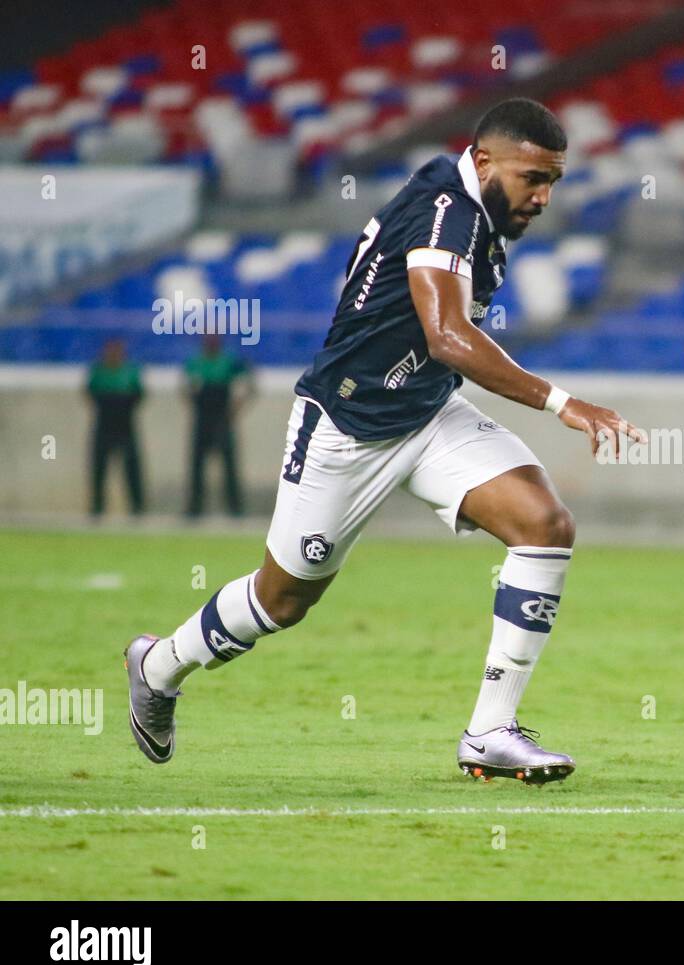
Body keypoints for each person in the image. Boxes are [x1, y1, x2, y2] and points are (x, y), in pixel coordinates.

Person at [123, 98, 644, 780]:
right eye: (532, 179)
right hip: (347, 425)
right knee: (281, 602)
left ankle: (490, 731)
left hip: (427, 415)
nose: (544, 197)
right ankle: (158, 666)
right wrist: (563, 403)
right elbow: (448, 336)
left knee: (544, 524)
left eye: (553, 181)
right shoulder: (446, 211)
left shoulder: (477, 207)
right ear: (484, 161)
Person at [185, 335, 253, 516]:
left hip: (222, 417)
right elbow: (185, 386)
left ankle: (235, 508)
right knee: (197, 464)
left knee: (229, 464)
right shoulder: (196, 362)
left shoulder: (229, 361)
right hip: (203, 417)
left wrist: (236, 407)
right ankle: (195, 507)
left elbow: (249, 381)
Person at [87, 337, 145, 516]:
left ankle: (137, 508)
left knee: (132, 469)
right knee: (99, 469)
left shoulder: (131, 372)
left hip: (125, 427)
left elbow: (139, 394)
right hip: (104, 426)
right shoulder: (98, 372)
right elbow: (90, 393)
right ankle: (98, 507)